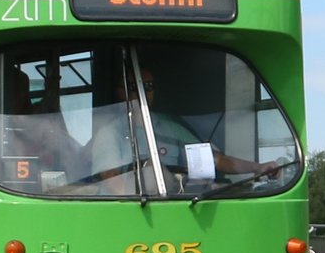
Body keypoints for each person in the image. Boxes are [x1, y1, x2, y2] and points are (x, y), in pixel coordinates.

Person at [90, 67, 280, 191]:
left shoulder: (168, 128)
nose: (143, 92)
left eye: (148, 86)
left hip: (171, 208)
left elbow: (215, 159)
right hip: (127, 214)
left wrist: (258, 168)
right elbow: (111, 179)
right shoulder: (109, 133)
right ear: (120, 92)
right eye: (134, 86)